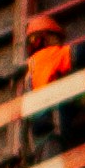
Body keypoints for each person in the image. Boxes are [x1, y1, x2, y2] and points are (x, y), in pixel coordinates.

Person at [22, 13, 78, 159]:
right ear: (48, 37)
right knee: (54, 164)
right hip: (53, 123)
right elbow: (80, 54)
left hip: (36, 130)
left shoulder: (30, 68)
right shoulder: (54, 54)